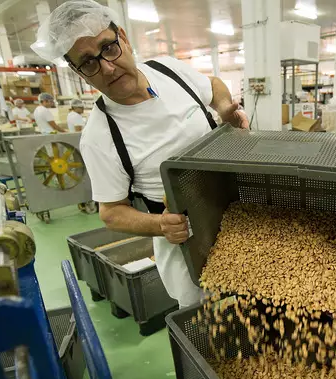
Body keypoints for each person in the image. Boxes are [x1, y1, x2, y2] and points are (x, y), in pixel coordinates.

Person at [31, 0, 247, 307]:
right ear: (79, 73)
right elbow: (111, 212)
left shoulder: (168, 69)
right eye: (89, 62)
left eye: (108, 48)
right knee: (215, 331)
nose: (106, 67)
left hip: (244, 217)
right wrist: (160, 226)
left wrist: (225, 108)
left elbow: (212, 86)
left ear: (123, 37)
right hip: (191, 246)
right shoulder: (100, 137)